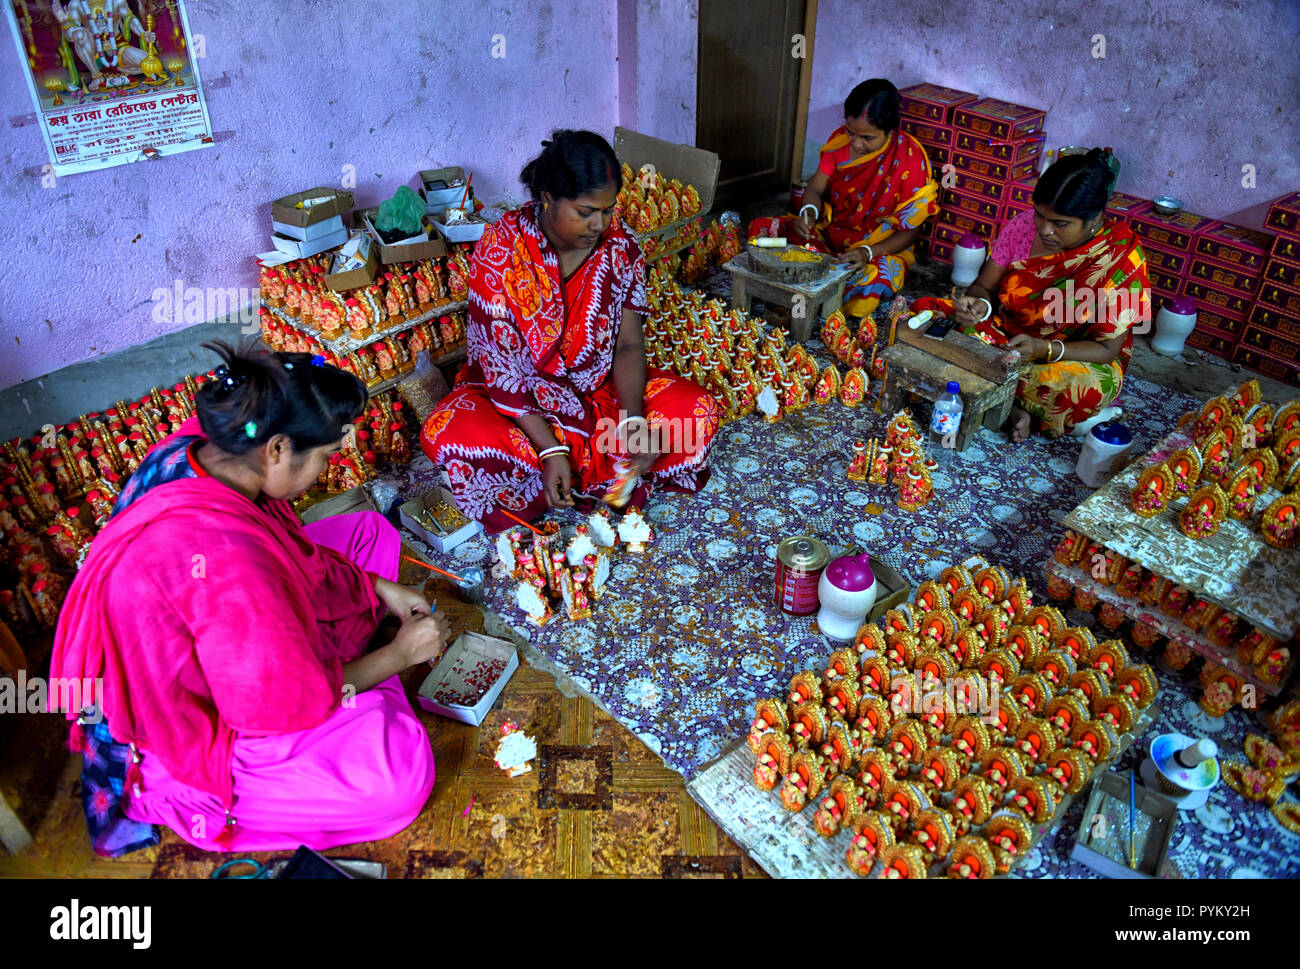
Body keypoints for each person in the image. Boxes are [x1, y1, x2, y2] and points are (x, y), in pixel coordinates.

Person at [49, 342, 449, 855]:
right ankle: (360, 696)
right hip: (187, 725)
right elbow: (281, 705)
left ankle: (361, 680)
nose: (326, 470)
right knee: (397, 776)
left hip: (225, 618)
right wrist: (399, 655)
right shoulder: (228, 566)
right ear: (278, 449)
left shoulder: (200, 446)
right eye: (325, 456)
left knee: (370, 533)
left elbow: (294, 550)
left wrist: (377, 586)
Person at [421, 130, 720, 532]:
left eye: (608, 210)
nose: (600, 223)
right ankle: (576, 471)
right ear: (547, 197)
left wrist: (633, 422)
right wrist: (549, 450)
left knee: (694, 412)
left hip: (600, 396)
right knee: (449, 430)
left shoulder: (621, 246)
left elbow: (629, 344)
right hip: (518, 405)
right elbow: (500, 371)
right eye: (585, 211)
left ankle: (568, 477)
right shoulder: (501, 248)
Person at [912, 148, 1149, 441]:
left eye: (1060, 223)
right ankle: (1009, 406)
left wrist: (1045, 350)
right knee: (925, 316)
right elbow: (983, 286)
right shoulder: (1023, 227)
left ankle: (995, 396)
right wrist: (978, 308)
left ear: (1094, 218)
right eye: (1040, 215)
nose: (1045, 230)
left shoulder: (1122, 258)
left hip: (1063, 358)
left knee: (1085, 387)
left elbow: (1107, 350)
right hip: (1003, 338)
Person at [750, 78, 939, 321]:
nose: (856, 144)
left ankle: (806, 286)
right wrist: (808, 212)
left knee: (868, 287)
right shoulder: (839, 143)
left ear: (890, 130)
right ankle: (815, 282)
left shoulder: (910, 160)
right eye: (851, 132)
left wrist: (867, 252)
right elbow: (816, 188)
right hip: (828, 236)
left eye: (868, 138)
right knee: (761, 230)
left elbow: (910, 233)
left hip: (875, 248)